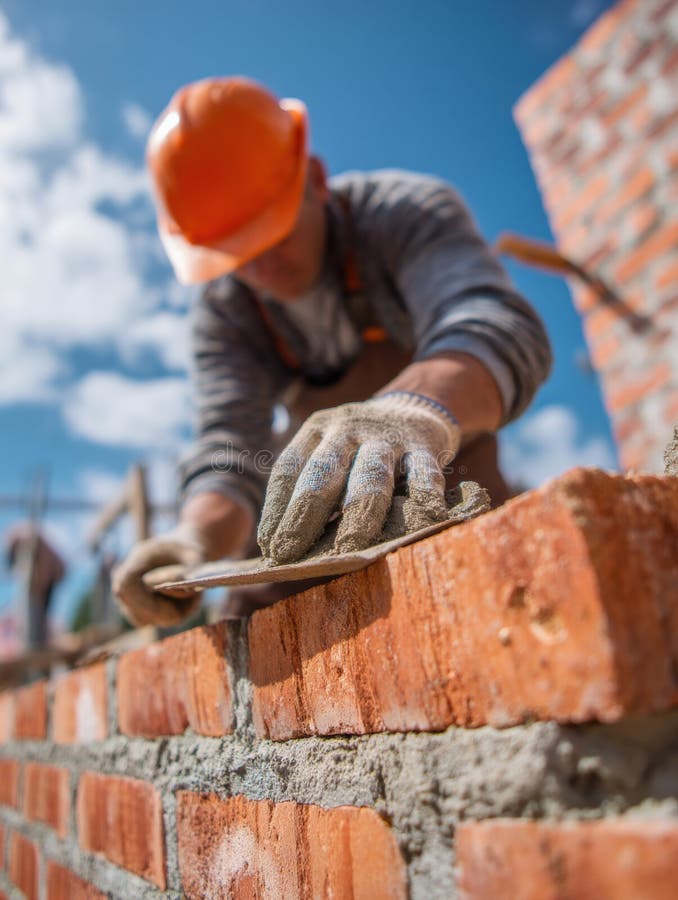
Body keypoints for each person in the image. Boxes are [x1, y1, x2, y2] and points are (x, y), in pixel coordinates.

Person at [113, 76, 552, 626]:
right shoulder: (228, 312)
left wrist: (412, 412)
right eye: (236, 256)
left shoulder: (401, 215)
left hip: (447, 481)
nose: (261, 270)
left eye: (272, 236)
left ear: (315, 180)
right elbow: (231, 448)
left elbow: (496, 324)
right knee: (249, 639)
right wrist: (195, 535)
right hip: (316, 518)